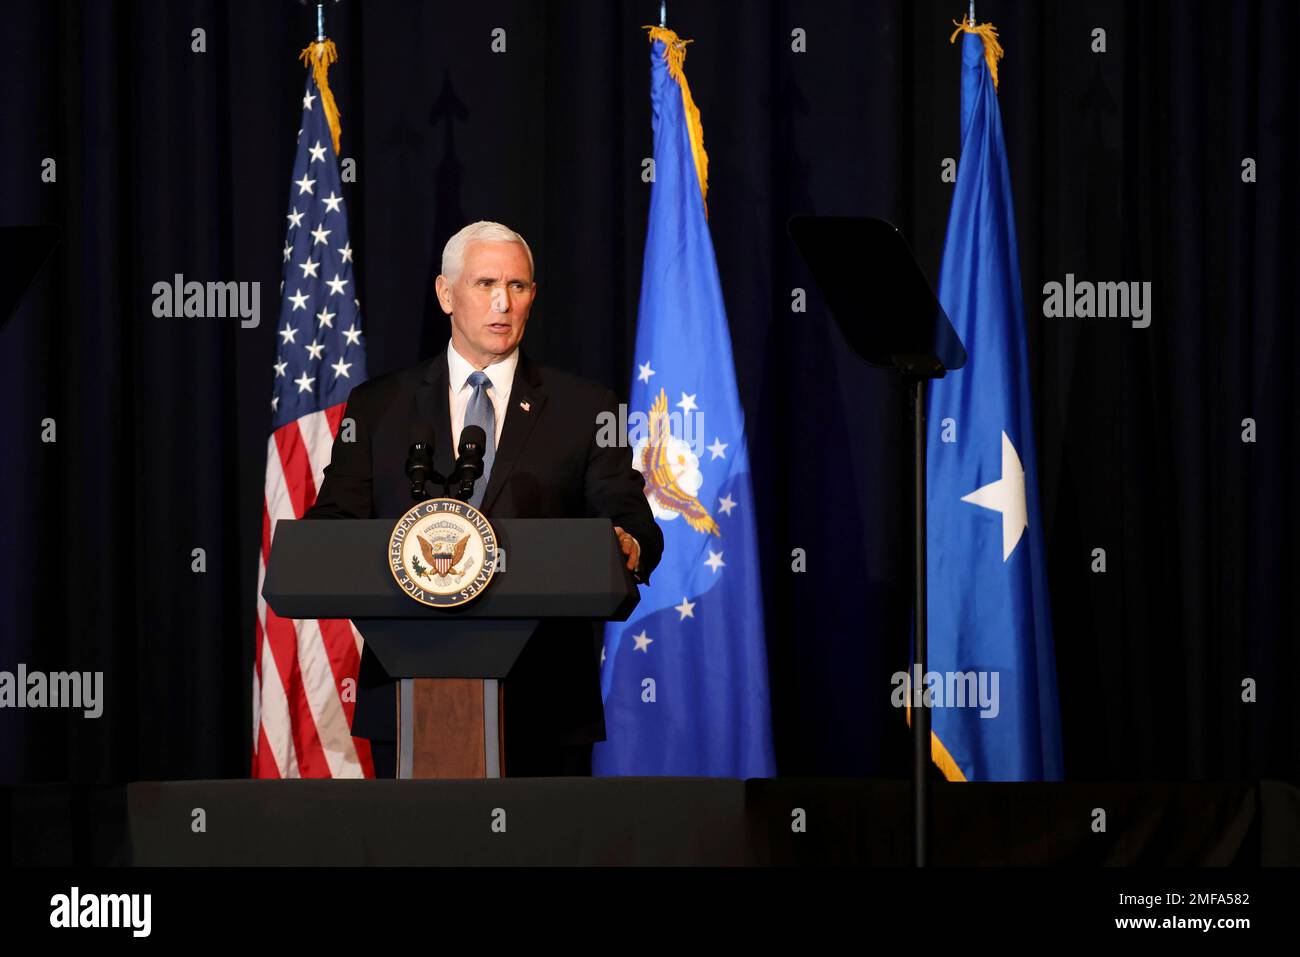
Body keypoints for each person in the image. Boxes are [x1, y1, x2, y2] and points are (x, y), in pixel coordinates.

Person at [304, 220, 663, 776]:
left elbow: (629, 516)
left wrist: (626, 544)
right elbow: (333, 528)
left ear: (533, 296)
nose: (503, 301)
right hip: (407, 691)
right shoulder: (378, 406)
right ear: (446, 294)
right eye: (485, 284)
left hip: (545, 705)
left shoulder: (587, 407)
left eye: (518, 287)